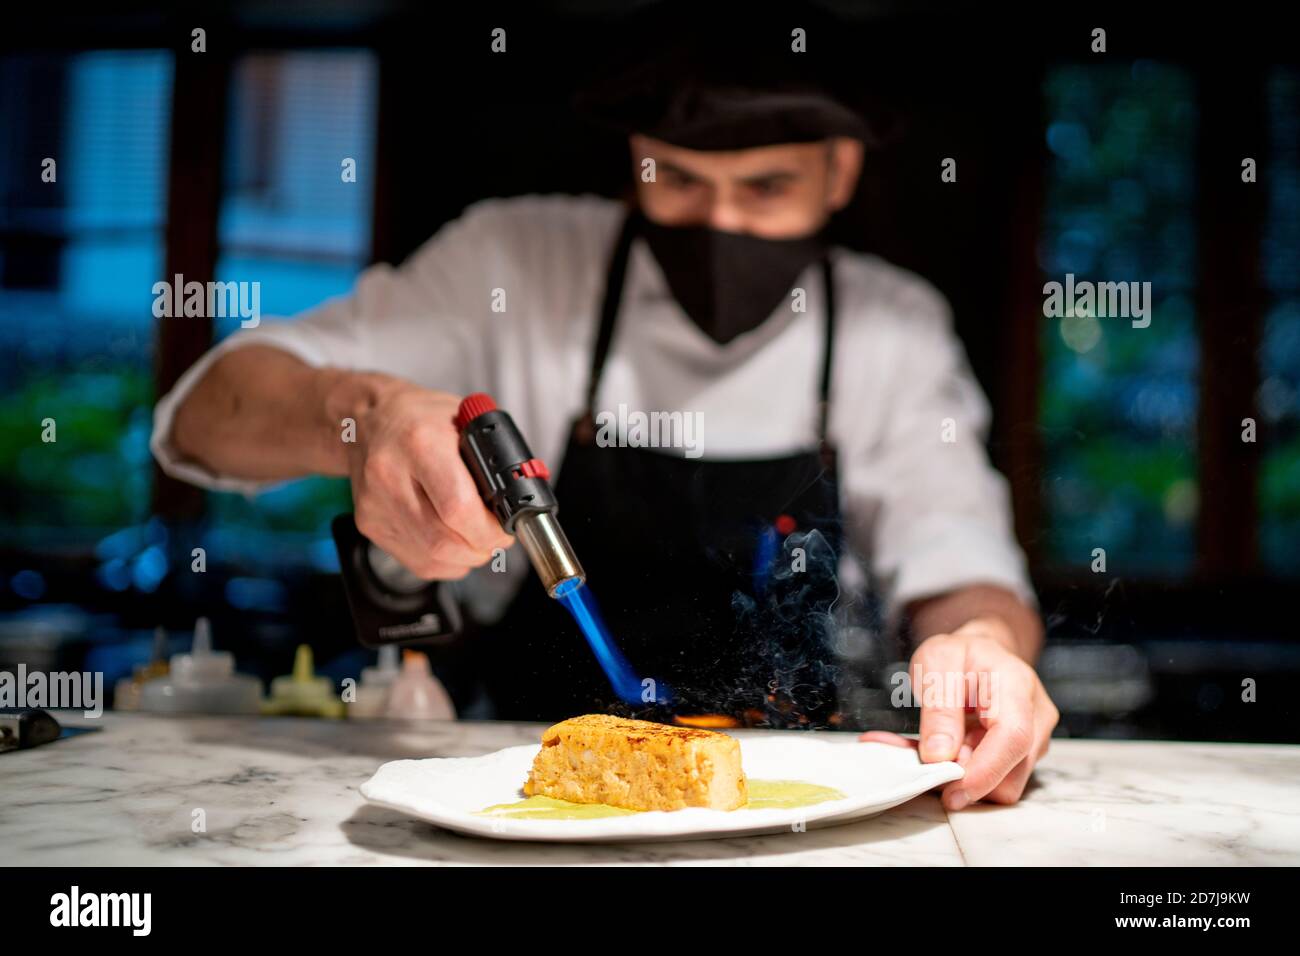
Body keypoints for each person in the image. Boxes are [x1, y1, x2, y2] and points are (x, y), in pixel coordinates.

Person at [151, 47, 1058, 810]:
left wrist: (981, 644)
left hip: (793, 797)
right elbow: (202, 414)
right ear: (637, 159)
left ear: (840, 171)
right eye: (684, 181)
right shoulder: (513, 260)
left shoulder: (891, 324)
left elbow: (959, 549)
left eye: (768, 187)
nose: (720, 225)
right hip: (521, 790)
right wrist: (365, 417)